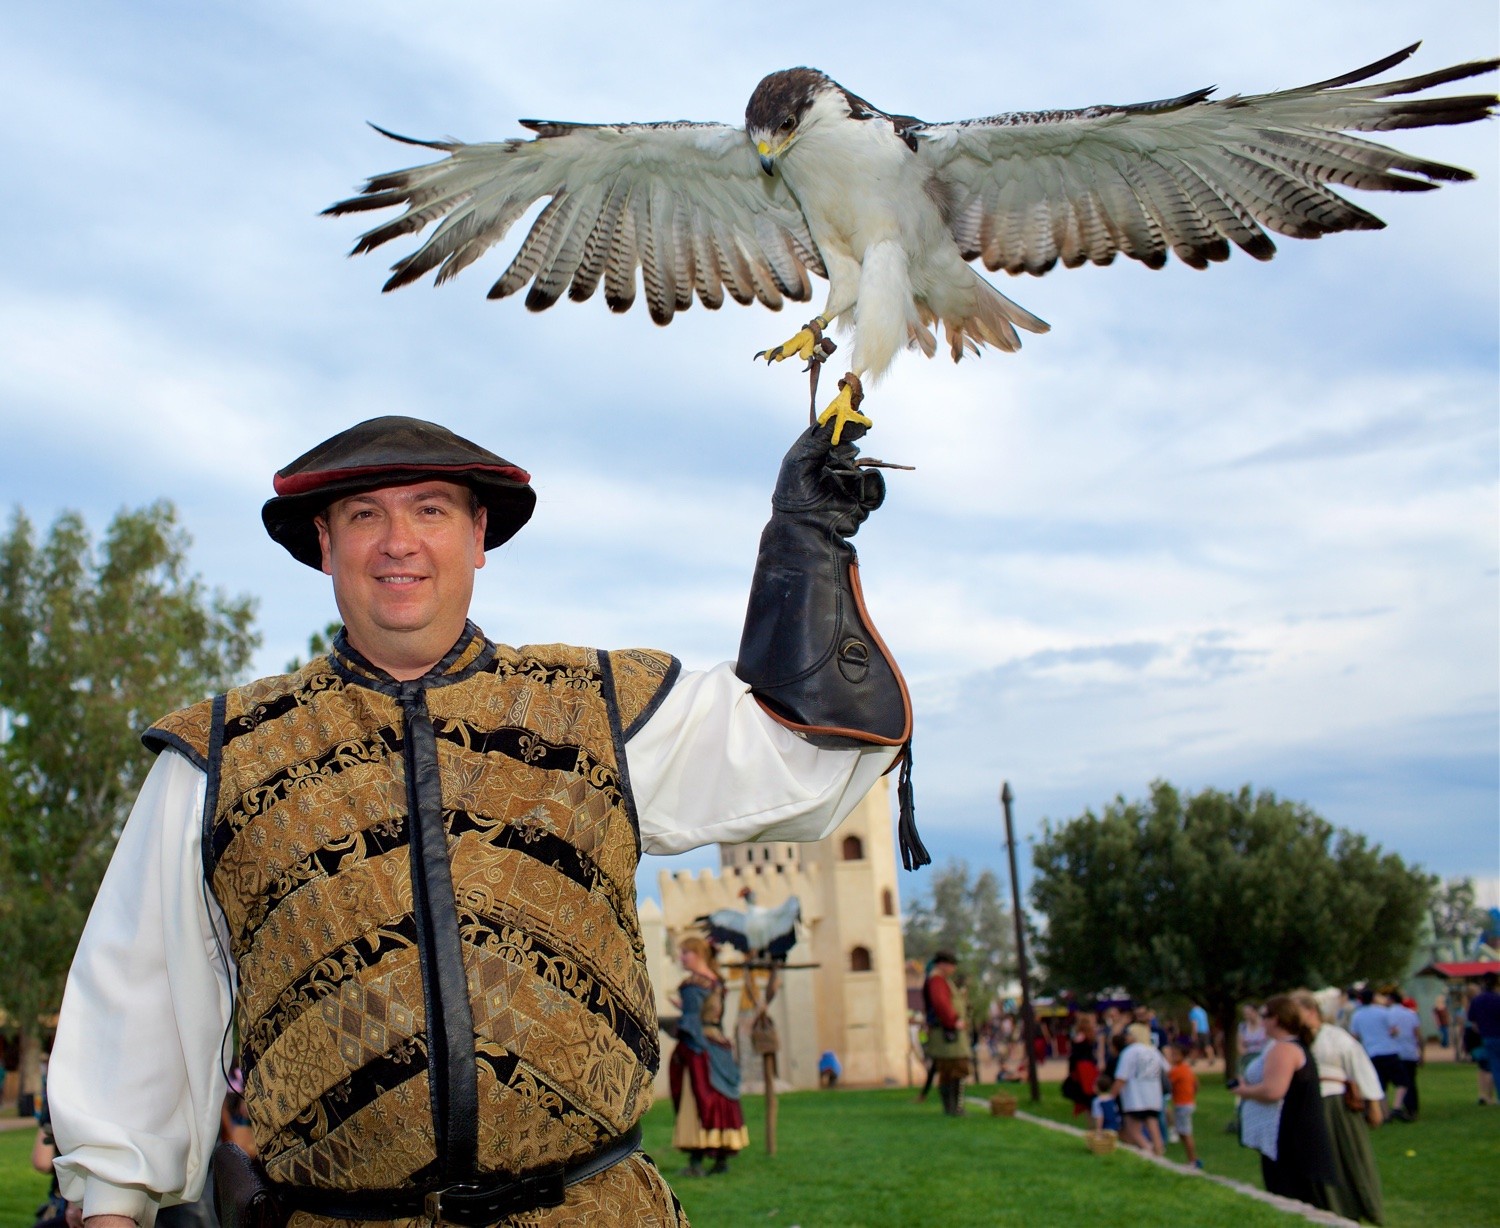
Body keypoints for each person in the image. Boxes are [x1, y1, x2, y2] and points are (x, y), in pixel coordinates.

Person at [48, 415, 918, 1227]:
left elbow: (801, 758)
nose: (398, 541)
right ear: (324, 544)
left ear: (477, 537)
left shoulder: (599, 712)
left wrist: (804, 549)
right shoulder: (220, 756)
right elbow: (141, 1002)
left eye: (430, 511)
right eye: (363, 516)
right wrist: (111, 1202)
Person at [1290, 989, 1385, 1225]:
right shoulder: (1293, 1042)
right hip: (1306, 1107)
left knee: (1347, 1157)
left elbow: (1360, 1067)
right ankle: (1324, 1207)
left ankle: (1354, 1207)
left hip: (1335, 1107)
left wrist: (1373, 1105)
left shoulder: (1336, 1037)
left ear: (1310, 1011)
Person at [1233, 995, 1336, 1208]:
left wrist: (1245, 1091)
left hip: (1292, 1136)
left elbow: (1273, 1090)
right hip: (1297, 1134)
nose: (1261, 1022)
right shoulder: (1287, 1046)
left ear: (1276, 1019)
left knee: (1292, 1198)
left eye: (1265, 1016)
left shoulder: (1284, 1049)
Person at [668, 937, 748, 1178]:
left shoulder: (693, 984)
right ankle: (721, 1160)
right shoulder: (716, 982)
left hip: (699, 1048)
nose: (682, 958)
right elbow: (711, 1016)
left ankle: (696, 1162)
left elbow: (691, 1023)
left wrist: (668, 1026)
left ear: (699, 955)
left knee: (696, 1099)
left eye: (685, 953)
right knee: (720, 1097)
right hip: (719, 1043)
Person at [922, 952, 970, 1116]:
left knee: (951, 1070)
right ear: (942, 964)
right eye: (951, 964)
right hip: (947, 1032)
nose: (953, 968)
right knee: (957, 1067)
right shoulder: (937, 981)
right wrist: (954, 1021)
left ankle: (952, 1107)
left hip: (947, 1031)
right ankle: (955, 1107)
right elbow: (941, 1003)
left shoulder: (938, 980)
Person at [1113, 1023, 1167, 1156]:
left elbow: (1122, 1077)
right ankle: (1159, 1150)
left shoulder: (1130, 1052)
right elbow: (1166, 1068)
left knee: (1133, 1128)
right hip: (1153, 1095)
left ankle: (1147, 1148)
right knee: (1152, 1124)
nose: (1126, 1037)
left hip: (1135, 1096)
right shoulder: (1153, 1051)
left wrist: (1111, 1094)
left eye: (1129, 1034)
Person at [1348, 986, 1401, 1107]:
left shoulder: (1357, 1015)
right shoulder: (1383, 1012)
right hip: (1389, 1050)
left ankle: (1384, 1111)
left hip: (1371, 1052)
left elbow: (1354, 1036)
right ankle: (1397, 1107)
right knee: (1402, 1082)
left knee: (1380, 1084)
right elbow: (1394, 1030)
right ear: (1373, 998)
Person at [1386, 987, 1422, 1122]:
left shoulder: (1387, 1014)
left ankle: (1396, 1107)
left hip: (1394, 1052)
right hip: (1410, 1052)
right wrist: (1421, 1053)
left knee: (1399, 1082)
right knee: (1411, 1081)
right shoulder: (1411, 1014)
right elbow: (1418, 1035)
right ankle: (1412, 1109)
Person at [1163, 1043, 1201, 1169]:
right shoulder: (1187, 1068)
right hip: (1188, 1102)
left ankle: (1193, 1160)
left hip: (1182, 1104)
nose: (1173, 1057)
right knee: (1183, 1132)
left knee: (1185, 1133)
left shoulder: (1178, 1070)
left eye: (1175, 1055)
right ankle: (1191, 1159)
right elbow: (1196, 1085)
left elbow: (1167, 1082)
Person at [1467, 971, 1500, 1103]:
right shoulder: (1497, 999)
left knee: (1495, 1067)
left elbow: (1472, 1021)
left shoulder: (1477, 1000)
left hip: (1488, 1037)